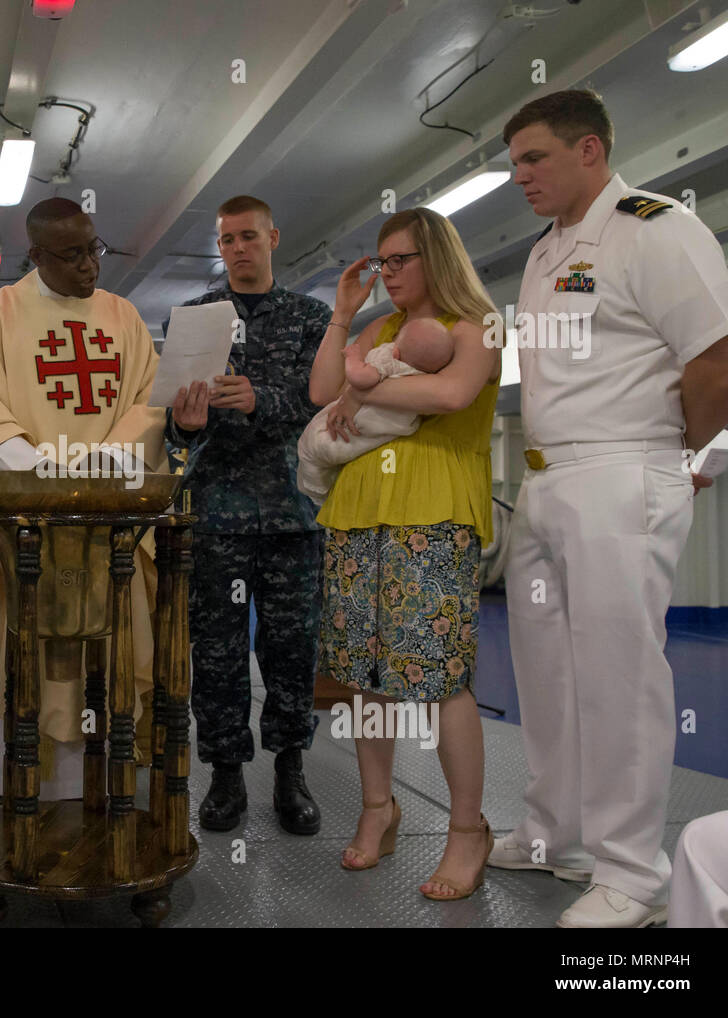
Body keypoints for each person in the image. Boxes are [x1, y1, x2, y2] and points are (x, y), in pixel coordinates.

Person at [492, 89, 728, 927]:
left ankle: (635, 875)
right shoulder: (543, 250)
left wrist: (673, 452)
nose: (519, 175)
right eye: (515, 161)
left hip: (620, 473)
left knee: (618, 676)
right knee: (549, 673)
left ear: (590, 150)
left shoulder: (654, 228)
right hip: (546, 480)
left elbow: (720, 358)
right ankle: (555, 835)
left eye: (535, 158)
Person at [0, 197, 165, 800]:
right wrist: (42, 473)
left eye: (94, 249)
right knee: (20, 647)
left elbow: (149, 401)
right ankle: (11, 781)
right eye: (71, 255)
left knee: (106, 652)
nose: (89, 266)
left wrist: (104, 462)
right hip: (22, 518)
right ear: (34, 255)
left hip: (106, 520)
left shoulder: (125, 317)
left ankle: (101, 785)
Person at [309, 207, 499, 900]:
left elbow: (452, 393)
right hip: (360, 511)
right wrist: (342, 315)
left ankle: (468, 830)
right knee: (366, 676)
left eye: (400, 261)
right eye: (381, 261)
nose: (387, 274)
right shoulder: (376, 330)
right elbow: (320, 392)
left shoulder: (475, 324)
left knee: (442, 678)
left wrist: (365, 392)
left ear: (435, 259)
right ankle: (378, 806)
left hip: (432, 511)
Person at [167, 194, 330, 834]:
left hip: (294, 514)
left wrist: (263, 399)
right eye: (226, 239)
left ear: (273, 237)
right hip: (216, 515)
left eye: (247, 237)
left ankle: (291, 772)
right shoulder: (196, 320)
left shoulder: (312, 319)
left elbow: (329, 404)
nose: (236, 248)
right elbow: (170, 426)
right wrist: (184, 424)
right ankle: (226, 775)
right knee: (217, 654)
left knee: (292, 651)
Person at [297, 317, 455, 502]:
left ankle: (316, 491)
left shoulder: (390, 362)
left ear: (395, 351)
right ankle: (320, 489)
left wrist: (353, 358)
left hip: (355, 427)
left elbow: (361, 378)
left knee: (311, 447)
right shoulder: (424, 378)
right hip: (385, 431)